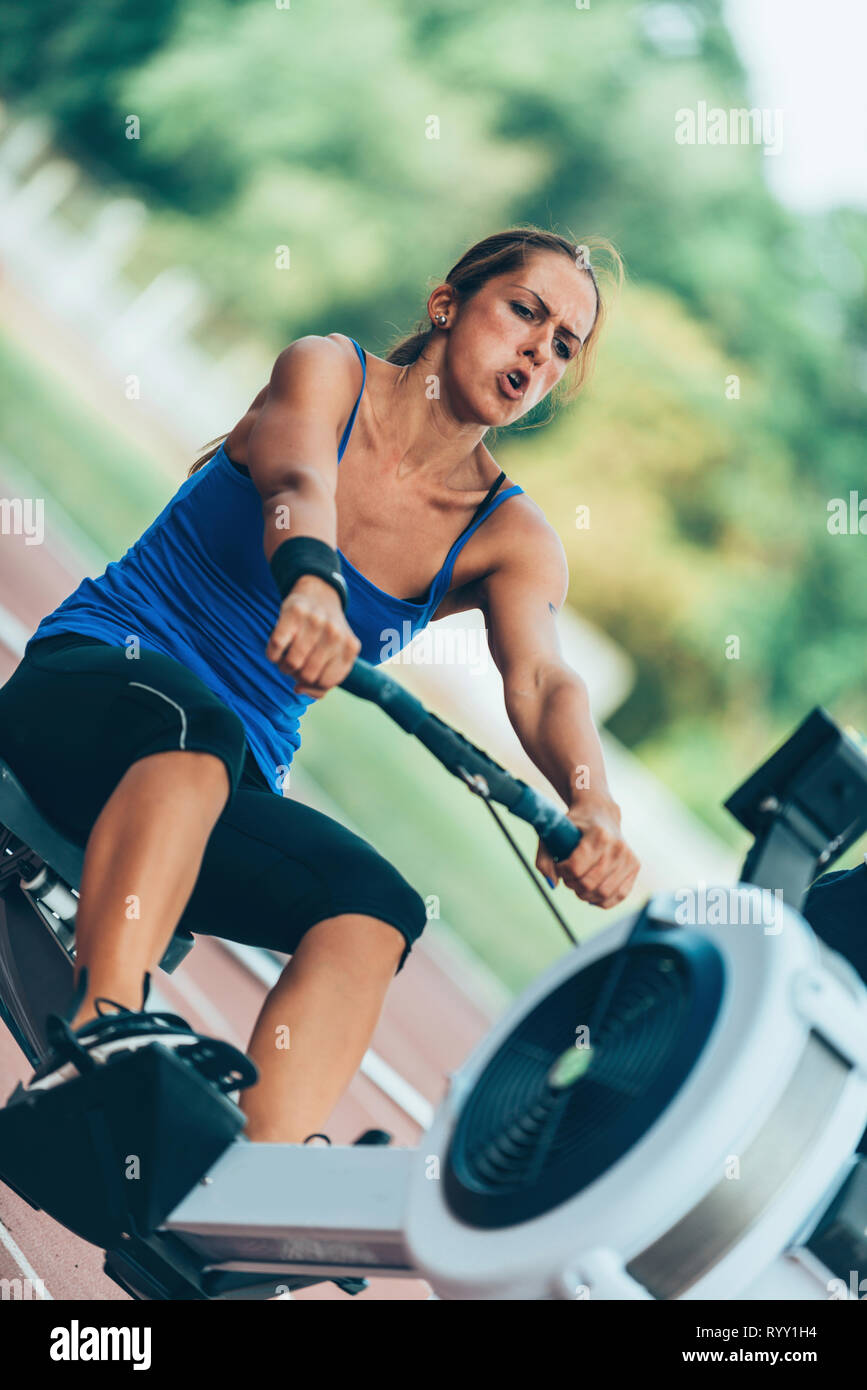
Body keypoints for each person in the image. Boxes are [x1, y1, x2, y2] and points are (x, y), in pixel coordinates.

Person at [0, 226, 640, 1143]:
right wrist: (310, 574)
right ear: (447, 304)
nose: (540, 350)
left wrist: (593, 802)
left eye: (564, 345)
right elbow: (297, 479)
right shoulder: (327, 371)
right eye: (525, 312)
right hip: (90, 685)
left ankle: (236, 1205)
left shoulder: (509, 535)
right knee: (201, 729)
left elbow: (542, 679)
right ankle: (96, 1048)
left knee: (375, 907)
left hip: (217, 785)